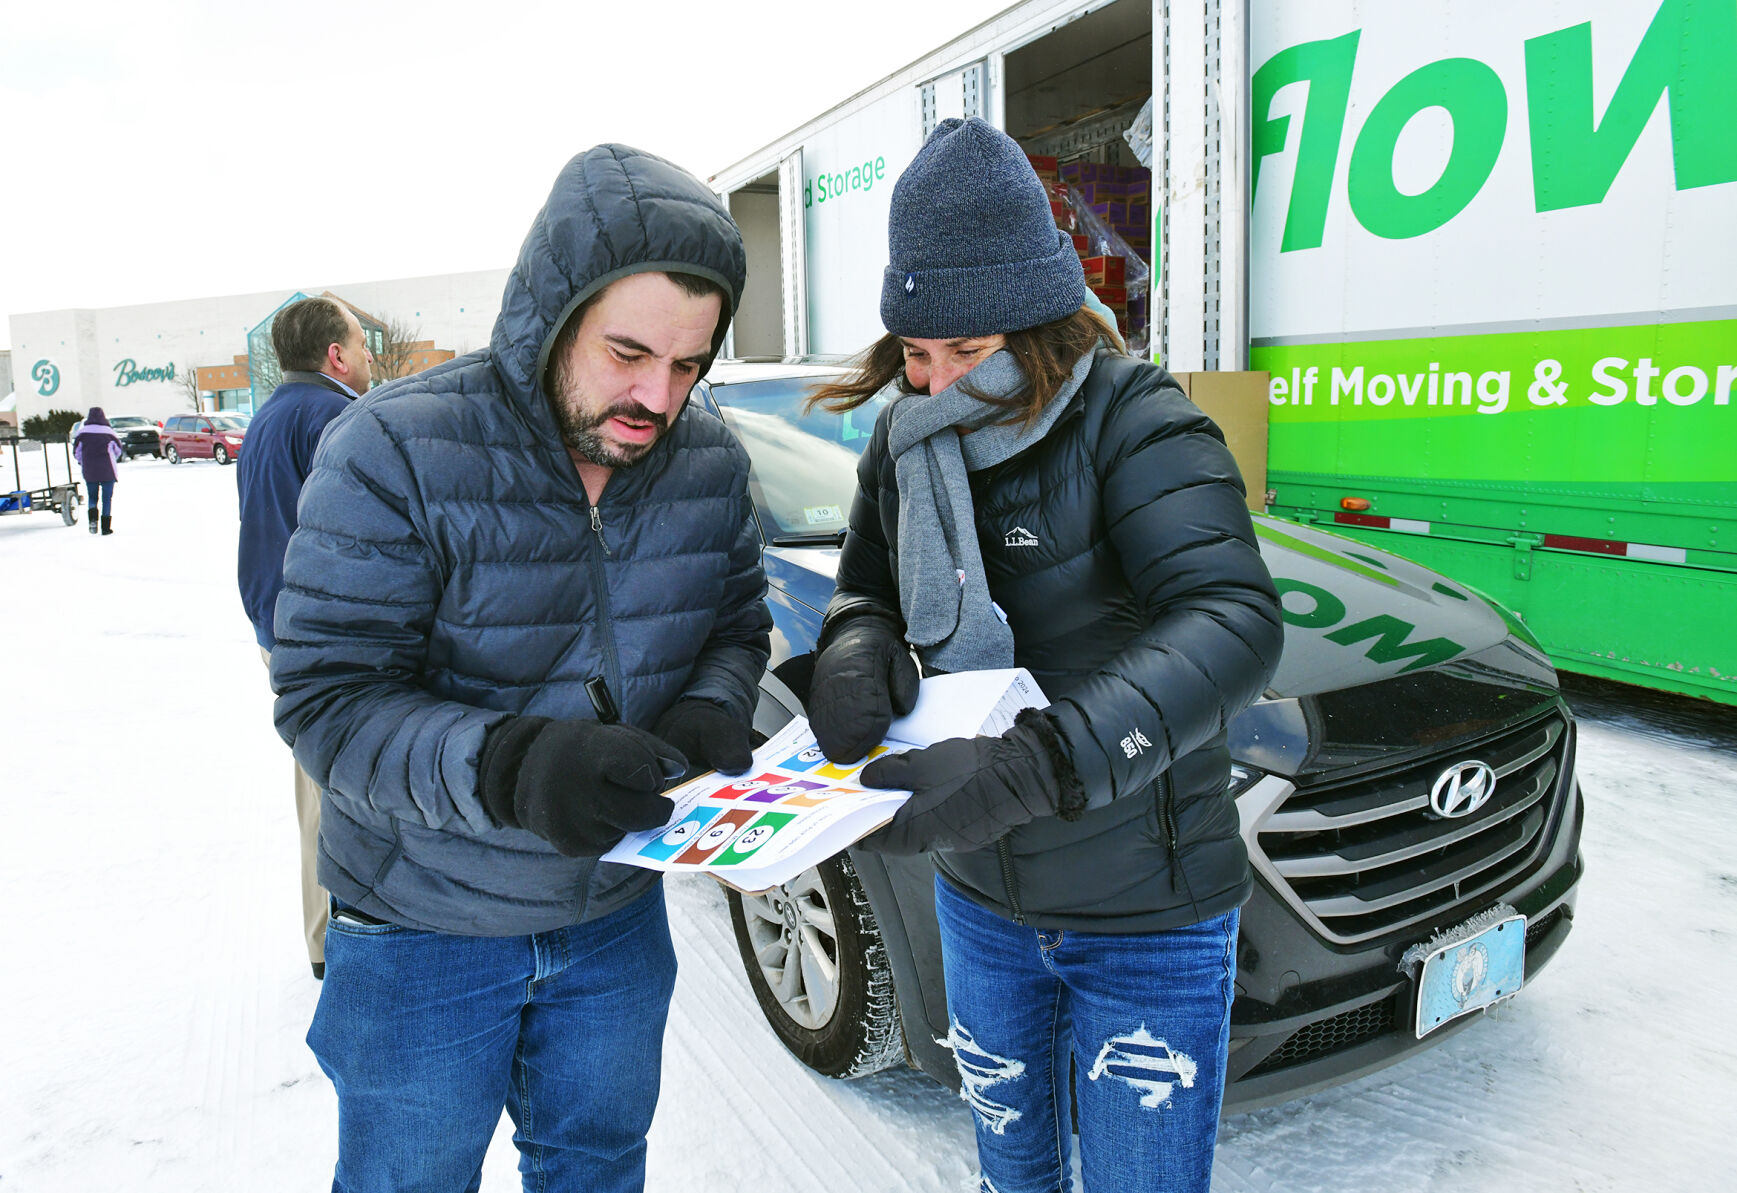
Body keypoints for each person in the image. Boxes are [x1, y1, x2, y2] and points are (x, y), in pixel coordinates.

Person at [269, 144, 769, 1193]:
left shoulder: (710, 461)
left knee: (598, 1168)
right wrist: (510, 765)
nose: (656, 396)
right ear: (553, 315)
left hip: (613, 915)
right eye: (627, 352)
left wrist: (711, 704)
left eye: (688, 365)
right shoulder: (393, 449)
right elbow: (328, 700)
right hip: (421, 925)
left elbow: (734, 622)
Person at [804, 117, 1285, 1193]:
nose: (934, 383)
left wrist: (1043, 760)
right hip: (980, 897)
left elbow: (1233, 620)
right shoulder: (901, 440)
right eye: (915, 354)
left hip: (1146, 914)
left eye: (967, 352)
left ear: (1041, 324)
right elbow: (865, 585)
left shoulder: (1135, 418)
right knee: (1010, 1175)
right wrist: (856, 645)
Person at [235, 296, 374, 980]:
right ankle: (346, 941)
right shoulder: (334, 418)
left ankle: (323, 937)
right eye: (363, 344)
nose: (371, 357)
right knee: (344, 793)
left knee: (315, 791)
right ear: (336, 355)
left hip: (280, 625)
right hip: (324, 638)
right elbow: (364, 534)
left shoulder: (269, 416)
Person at [72, 407, 122, 535]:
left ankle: (93, 520)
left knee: (92, 497)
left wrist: (83, 461)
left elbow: (76, 452)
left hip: (90, 470)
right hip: (108, 470)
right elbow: (118, 450)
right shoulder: (109, 433)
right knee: (107, 499)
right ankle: (105, 528)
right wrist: (112, 457)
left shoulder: (82, 433)